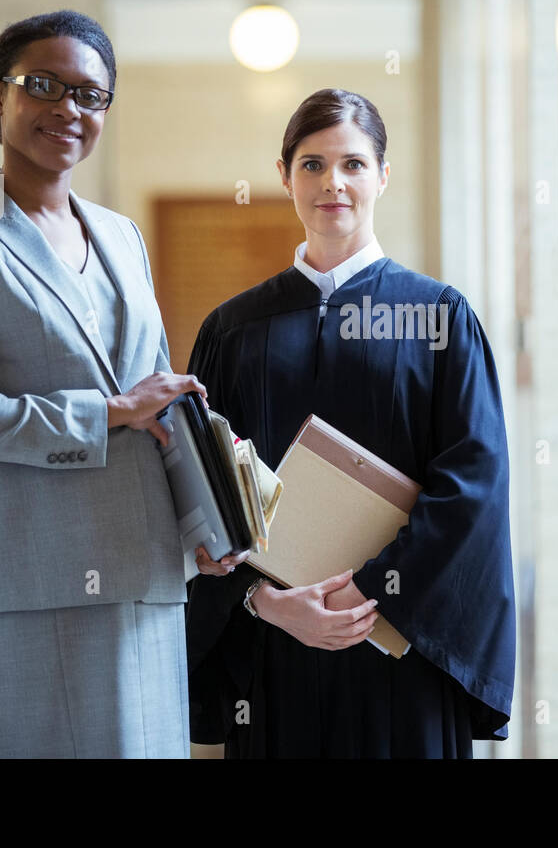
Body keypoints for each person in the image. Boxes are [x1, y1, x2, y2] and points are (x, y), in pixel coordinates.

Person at [0, 10, 233, 758]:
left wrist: (206, 524)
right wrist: (109, 411)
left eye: (90, 95)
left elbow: (158, 404)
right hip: (31, 574)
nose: (67, 110)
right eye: (43, 85)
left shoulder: (121, 236)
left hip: (146, 571)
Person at [185, 88, 516, 758]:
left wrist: (372, 586)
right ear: (284, 176)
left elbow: (473, 484)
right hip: (274, 654)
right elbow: (201, 489)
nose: (332, 182)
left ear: (382, 176)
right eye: (312, 164)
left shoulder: (439, 318)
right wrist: (264, 602)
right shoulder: (233, 330)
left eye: (353, 164)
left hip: (401, 647)